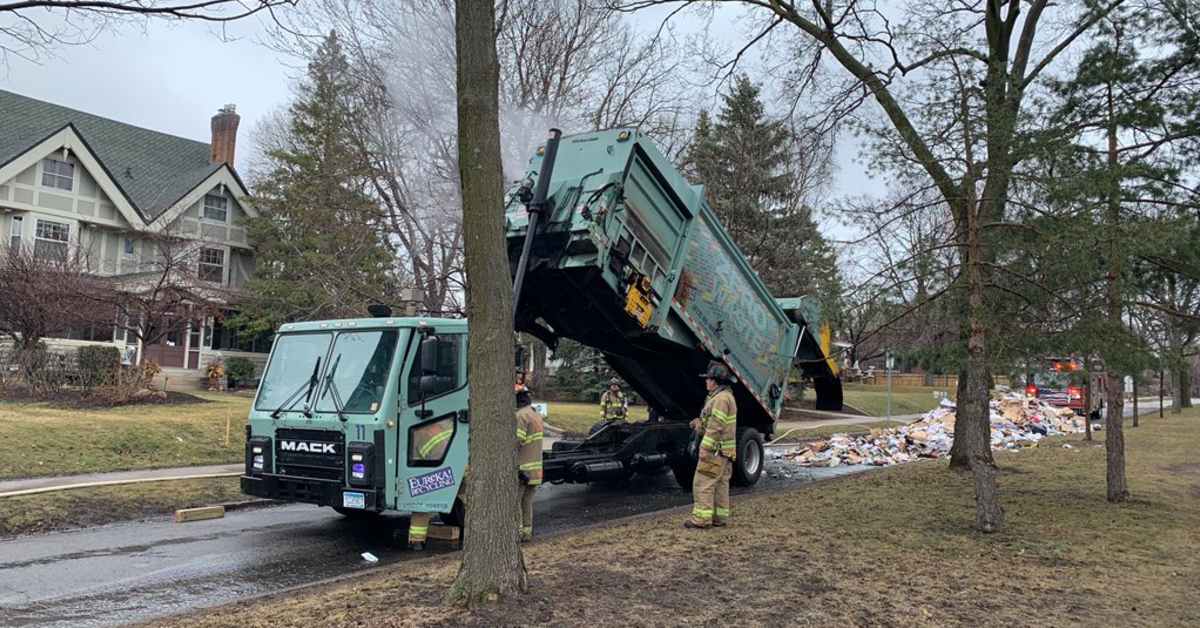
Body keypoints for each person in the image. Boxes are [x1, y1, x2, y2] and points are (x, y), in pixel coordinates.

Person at [686, 360, 737, 529]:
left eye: (708, 379)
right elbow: (713, 422)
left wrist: (704, 448)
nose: (706, 381)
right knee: (721, 485)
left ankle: (701, 520)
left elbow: (716, 426)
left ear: (715, 381)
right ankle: (719, 518)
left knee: (703, 483)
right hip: (724, 452)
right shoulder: (724, 397)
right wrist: (699, 423)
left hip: (714, 451)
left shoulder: (721, 399)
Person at [406, 418, 455, 551]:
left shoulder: (420, 430)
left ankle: (417, 541)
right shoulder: (448, 424)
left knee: (422, 501)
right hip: (452, 467)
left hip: (431, 465)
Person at [515, 383, 544, 542]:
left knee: (515, 502)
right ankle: (527, 532)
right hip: (536, 469)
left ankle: (517, 532)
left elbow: (516, 440)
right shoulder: (535, 414)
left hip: (522, 469)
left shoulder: (521, 416)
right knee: (527, 502)